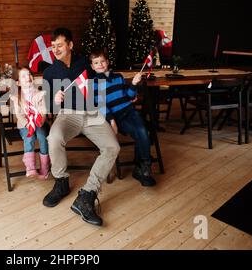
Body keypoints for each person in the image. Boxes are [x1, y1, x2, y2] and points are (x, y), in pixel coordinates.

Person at [42, 27, 120, 226]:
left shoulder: (86, 62)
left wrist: (110, 117)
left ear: (70, 45)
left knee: (113, 147)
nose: (56, 50)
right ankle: (61, 182)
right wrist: (54, 99)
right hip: (67, 114)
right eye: (53, 47)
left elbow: (104, 82)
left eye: (59, 45)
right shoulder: (50, 72)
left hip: (92, 112)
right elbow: (48, 105)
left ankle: (87, 195)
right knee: (54, 138)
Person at [90, 48, 156, 187]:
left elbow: (129, 96)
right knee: (142, 132)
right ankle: (143, 169)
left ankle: (143, 167)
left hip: (130, 111)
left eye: (102, 61)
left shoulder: (118, 77)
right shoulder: (95, 82)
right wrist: (112, 121)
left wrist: (133, 84)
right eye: (96, 63)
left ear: (107, 62)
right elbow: (101, 106)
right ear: (92, 66)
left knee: (143, 131)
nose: (100, 64)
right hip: (117, 117)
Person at [10, 67, 50, 179]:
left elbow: (43, 111)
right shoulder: (16, 98)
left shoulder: (39, 94)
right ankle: (31, 167)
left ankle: (44, 167)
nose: (28, 77)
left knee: (42, 136)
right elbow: (19, 115)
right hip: (25, 124)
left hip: (38, 122)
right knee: (29, 137)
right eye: (23, 76)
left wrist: (40, 120)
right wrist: (28, 124)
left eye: (29, 74)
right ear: (18, 83)